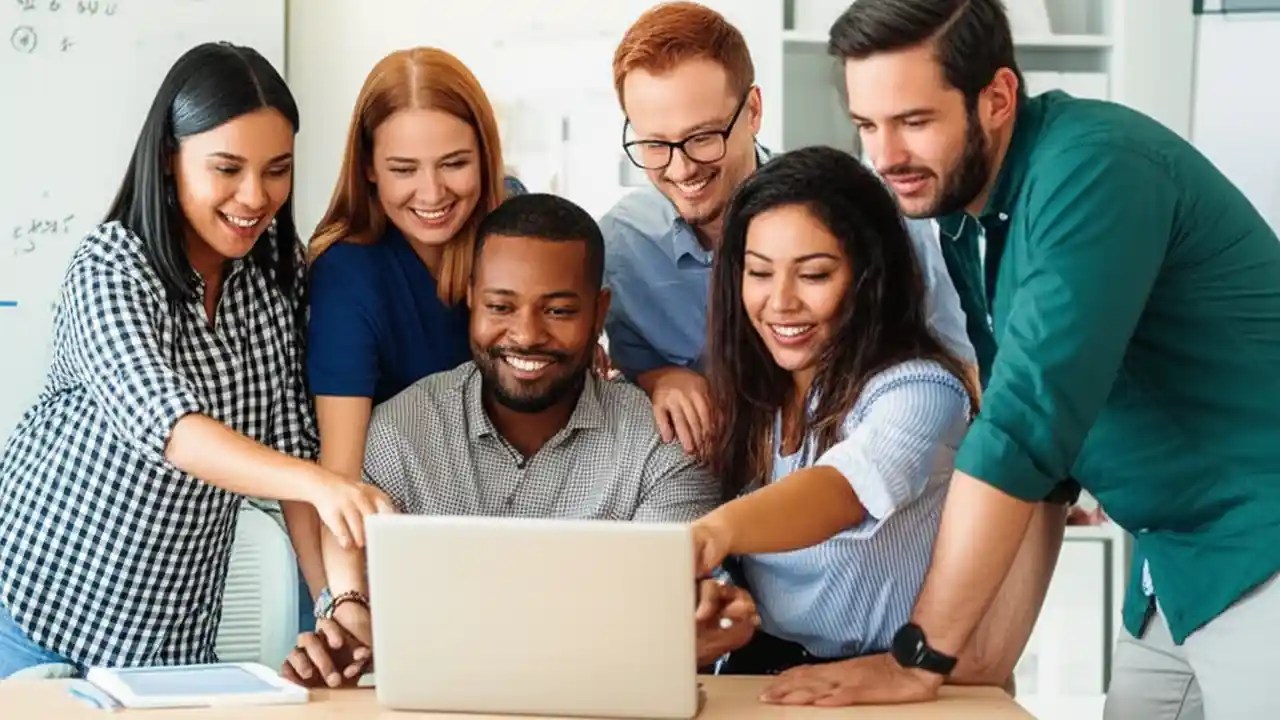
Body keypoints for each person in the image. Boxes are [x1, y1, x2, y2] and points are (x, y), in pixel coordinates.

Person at [749, 1, 1280, 714]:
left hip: (1261, 542)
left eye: (914, 121)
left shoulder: (1091, 170)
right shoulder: (969, 219)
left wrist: (919, 655)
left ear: (997, 98)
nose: (885, 157)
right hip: (1177, 564)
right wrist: (978, 658)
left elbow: (1026, 426)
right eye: (868, 125)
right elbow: (1044, 468)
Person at [0, 42, 391, 678]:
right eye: (227, 168)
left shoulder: (276, 279)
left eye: (277, 169)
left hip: (165, 639)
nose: (255, 196)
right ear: (168, 161)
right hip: (31, 610)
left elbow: (296, 451)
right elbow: (172, 429)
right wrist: (322, 483)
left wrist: (336, 602)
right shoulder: (110, 265)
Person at [281, 193, 754, 688]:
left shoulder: (663, 449)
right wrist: (342, 652)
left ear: (599, 313)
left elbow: (660, 626)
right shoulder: (399, 436)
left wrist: (677, 638)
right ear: (470, 299)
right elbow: (369, 637)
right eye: (501, 306)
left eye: (558, 311)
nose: (526, 335)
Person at [601, 1, 974, 457]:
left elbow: (961, 378)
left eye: (703, 137)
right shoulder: (621, 247)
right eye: (654, 144)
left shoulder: (866, 215)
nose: (681, 168)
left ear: (753, 111)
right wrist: (655, 376)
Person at [688, 145, 984, 679]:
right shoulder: (756, 394)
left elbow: (842, 489)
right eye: (759, 272)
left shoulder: (921, 391)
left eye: (814, 275)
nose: (780, 303)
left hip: (885, 676)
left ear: (870, 278)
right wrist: (723, 597)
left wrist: (714, 531)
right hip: (760, 669)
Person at [290, 47, 514, 623]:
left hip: (504, 545)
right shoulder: (349, 274)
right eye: (403, 169)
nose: (433, 192)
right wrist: (345, 602)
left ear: (486, 158)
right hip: (383, 561)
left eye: (454, 163)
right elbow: (342, 473)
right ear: (368, 166)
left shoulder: (514, 229)